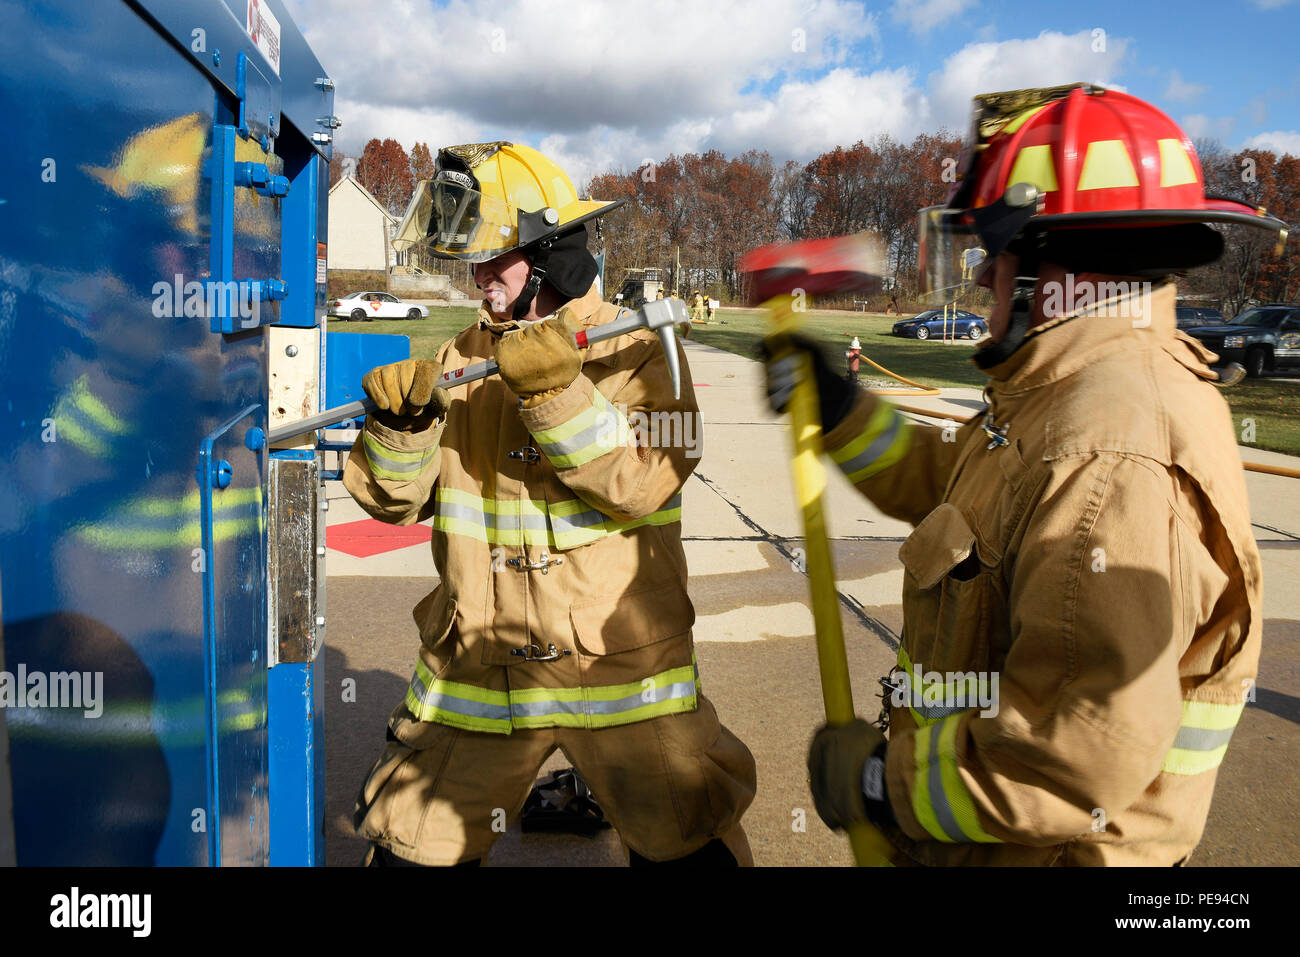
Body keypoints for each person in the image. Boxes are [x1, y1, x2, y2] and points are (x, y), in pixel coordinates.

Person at [766, 84, 1284, 865]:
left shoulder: (1109, 448)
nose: (980, 279)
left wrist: (882, 782)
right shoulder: (1069, 394)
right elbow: (953, 488)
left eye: (997, 254)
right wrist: (839, 404)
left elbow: (1074, 754)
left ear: (1056, 269)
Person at [348, 142, 755, 866]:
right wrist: (398, 432)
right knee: (409, 843)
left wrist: (556, 389)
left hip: (622, 674)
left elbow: (643, 478)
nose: (475, 276)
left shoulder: (638, 350)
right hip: (477, 667)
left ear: (548, 256)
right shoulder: (461, 359)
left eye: (490, 256)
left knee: (687, 839)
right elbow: (394, 502)